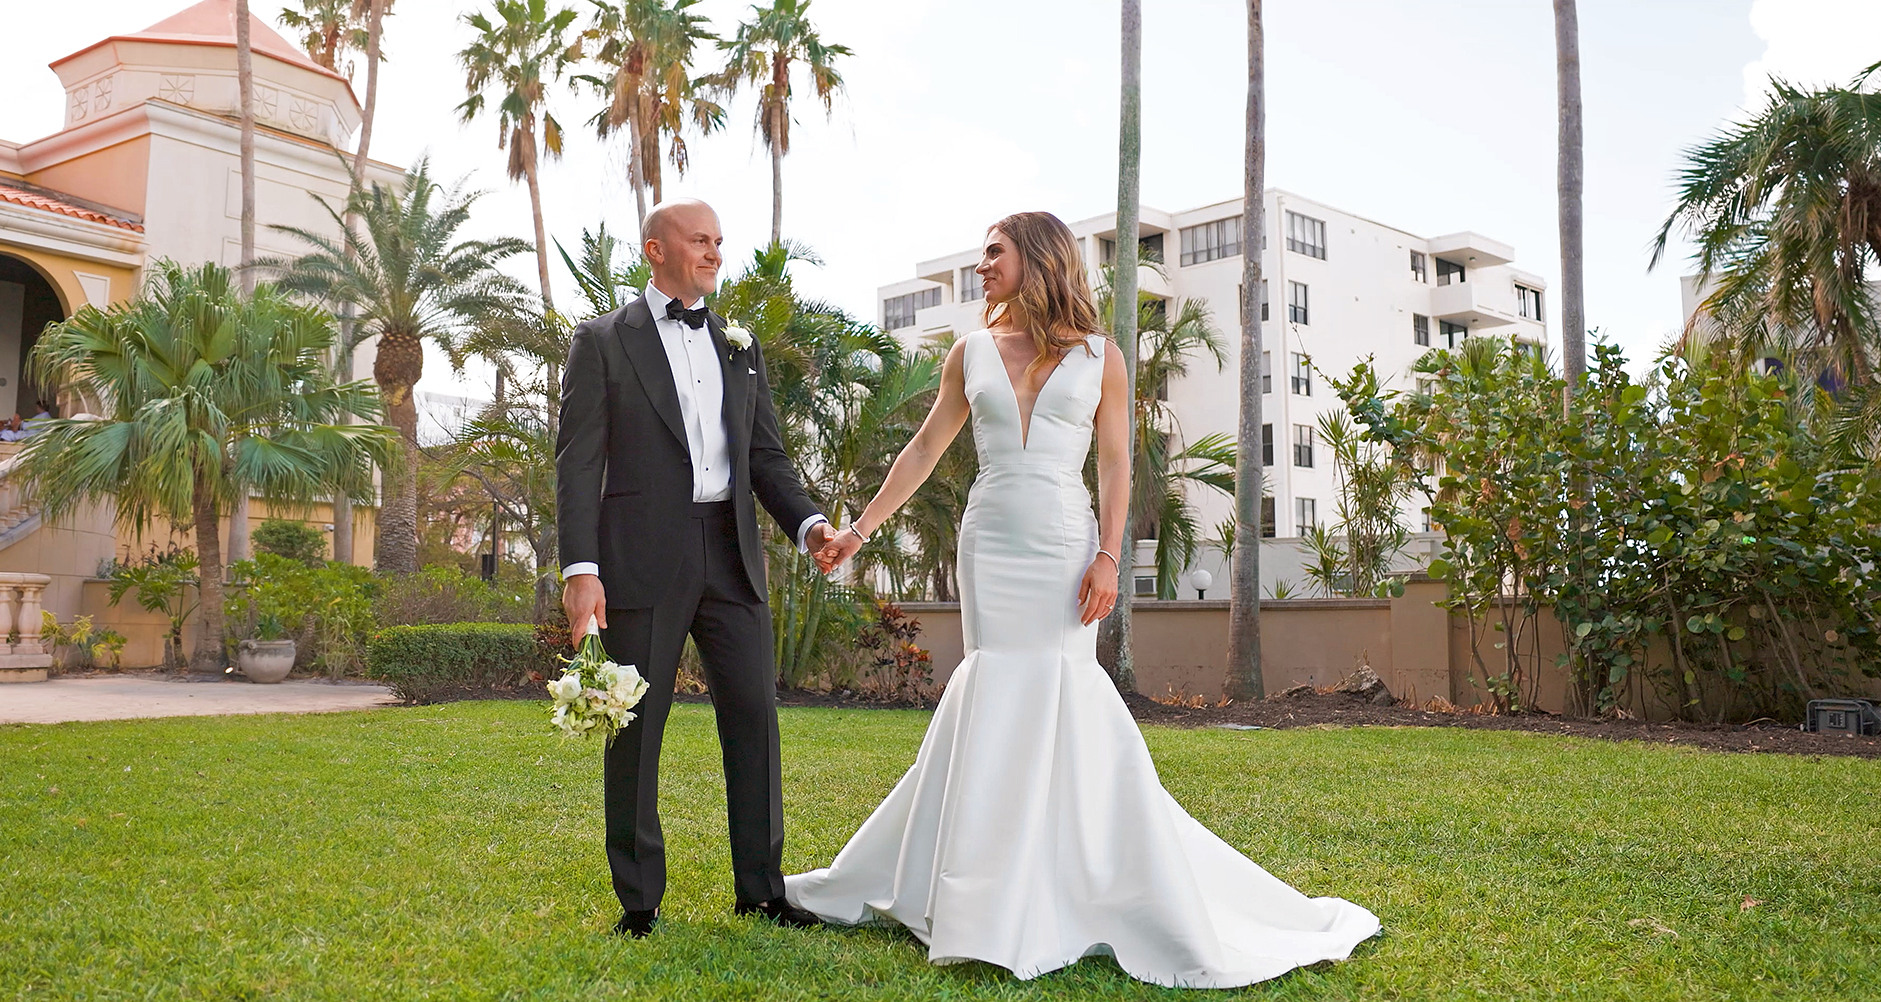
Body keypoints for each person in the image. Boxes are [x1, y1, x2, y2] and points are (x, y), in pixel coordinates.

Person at [795, 211, 1381, 988]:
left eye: (993, 254)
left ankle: (1072, 883)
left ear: (1036, 258)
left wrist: (1111, 555)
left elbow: (1115, 468)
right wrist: (862, 532)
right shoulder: (969, 354)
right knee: (997, 682)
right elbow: (926, 449)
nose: (982, 268)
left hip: (1066, 544)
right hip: (992, 541)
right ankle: (978, 897)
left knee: (1060, 687)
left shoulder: (1102, 357)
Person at [556, 197, 837, 940]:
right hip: (642, 554)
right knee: (637, 727)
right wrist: (580, 568)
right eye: (699, 239)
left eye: (719, 240)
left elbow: (766, 456)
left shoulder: (739, 346)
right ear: (656, 250)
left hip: (732, 550)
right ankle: (640, 902)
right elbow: (578, 462)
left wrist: (809, 526)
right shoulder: (603, 342)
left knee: (754, 718)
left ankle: (763, 891)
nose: (714, 251)